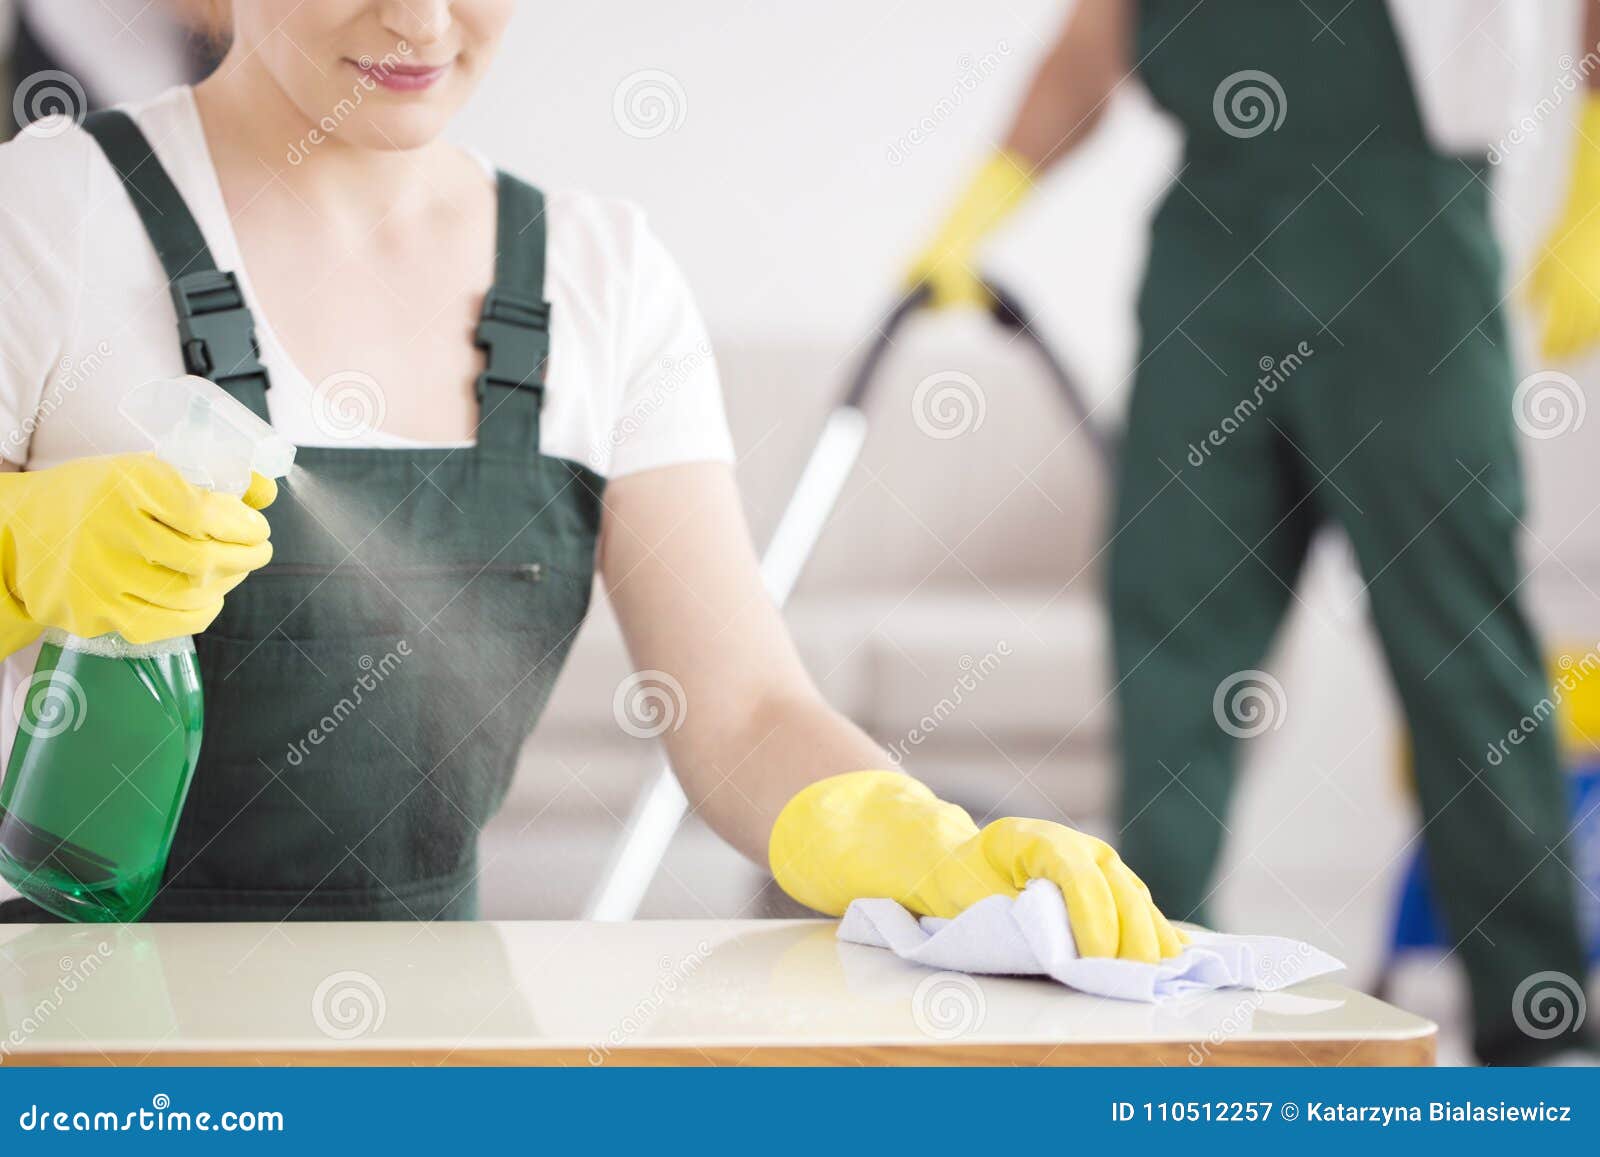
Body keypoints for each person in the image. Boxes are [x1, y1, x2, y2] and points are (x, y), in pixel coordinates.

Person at [0, 0, 1181, 963]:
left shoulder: (601, 275)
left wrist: (927, 847)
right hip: (57, 1018)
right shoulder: (47, 213)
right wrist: (24, 549)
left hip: (429, 1029)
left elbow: (740, 711)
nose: (419, 19)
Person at [905, 0, 1598, 1064]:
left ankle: (1537, 1013)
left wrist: (1594, 173)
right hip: (1211, 252)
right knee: (1166, 622)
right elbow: (1093, 42)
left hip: (1405, 244)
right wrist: (979, 204)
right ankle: (1138, 986)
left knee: (1459, 640)